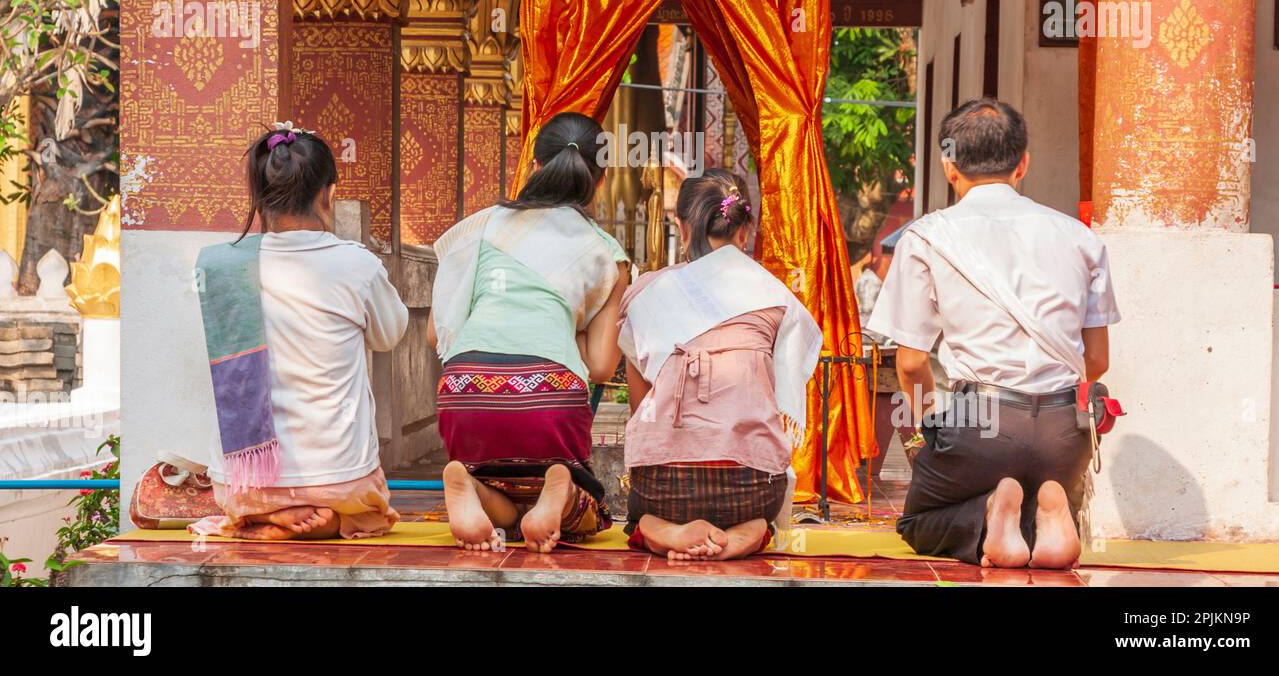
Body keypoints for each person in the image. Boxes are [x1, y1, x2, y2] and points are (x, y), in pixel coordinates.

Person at [866, 99, 1120, 569]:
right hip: (1064, 434)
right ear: (1023, 163)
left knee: (918, 521)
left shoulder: (925, 237)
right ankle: (1045, 511)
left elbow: (911, 362)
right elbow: (1097, 360)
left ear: (949, 163)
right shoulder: (1080, 237)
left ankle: (990, 518)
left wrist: (925, 438)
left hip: (980, 425)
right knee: (1039, 477)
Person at [191, 124, 409, 541]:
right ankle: (336, 518)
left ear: (258, 194)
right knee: (368, 511)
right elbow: (389, 335)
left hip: (241, 485)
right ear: (328, 195)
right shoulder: (354, 264)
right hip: (342, 479)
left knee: (239, 489)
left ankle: (264, 515)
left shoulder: (216, 267)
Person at [429, 112, 630, 553]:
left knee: (499, 498)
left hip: (466, 389)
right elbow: (599, 366)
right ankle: (560, 490)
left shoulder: (479, 227)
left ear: (535, 167)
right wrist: (564, 332)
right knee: (591, 515)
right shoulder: (607, 252)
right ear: (600, 181)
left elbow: (437, 334)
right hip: (549, 395)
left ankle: (472, 487)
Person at [618, 169, 821, 561]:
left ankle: (657, 528)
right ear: (744, 232)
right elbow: (777, 399)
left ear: (682, 226)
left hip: (664, 485)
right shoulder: (776, 297)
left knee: (641, 513)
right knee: (763, 503)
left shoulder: (645, 293)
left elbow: (640, 405)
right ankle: (753, 529)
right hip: (751, 485)